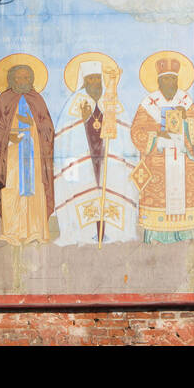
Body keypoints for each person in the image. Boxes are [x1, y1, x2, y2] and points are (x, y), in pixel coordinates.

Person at [53, 56, 140, 246]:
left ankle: (112, 232)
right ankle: (85, 233)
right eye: (90, 79)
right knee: (86, 192)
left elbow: (125, 132)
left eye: (97, 79)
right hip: (85, 160)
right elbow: (66, 136)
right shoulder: (74, 103)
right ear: (84, 82)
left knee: (111, 189)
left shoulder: (112, 101)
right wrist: (83, 120)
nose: (94, 83)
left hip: (109, 160)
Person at [131, 54, 194, 243]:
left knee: (183, 197)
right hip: (158, 163)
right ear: (159, 81)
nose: (170, 83)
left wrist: (186, 120)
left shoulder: (186, 101)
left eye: (174, 79)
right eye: (166, 79)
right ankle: (156, 235)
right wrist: (157, 135)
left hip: (182, 160)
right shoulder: (149, 104)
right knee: (158, 197)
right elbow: (137, 133)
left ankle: (185, 233)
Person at [0, 59, 55, 246]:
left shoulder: (37, 100)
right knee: (11, 190)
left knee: (35, 193)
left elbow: (48, 128)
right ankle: (11, 233)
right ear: (11, 80)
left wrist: (34, 125)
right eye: (19, 77)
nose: (23, 80)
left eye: (26, 77)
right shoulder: (3, 100)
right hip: (11, 156)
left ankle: (36, 232)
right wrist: (8, 137)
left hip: (34, 155)